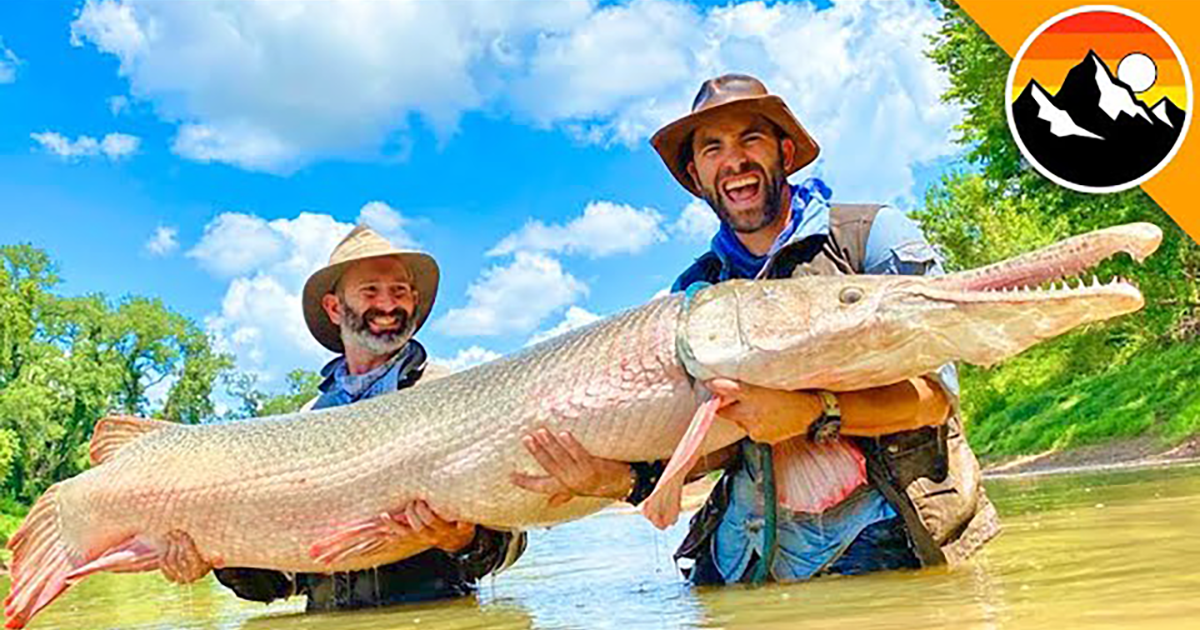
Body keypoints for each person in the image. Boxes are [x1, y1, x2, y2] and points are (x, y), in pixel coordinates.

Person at [517, 74, 998, 584]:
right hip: (741, 555)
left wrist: (816, 413)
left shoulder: (870, 240)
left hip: (881, 536)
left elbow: (934, 398)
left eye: (751, 138)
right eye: (712, 148)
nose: (735, 160)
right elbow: (712, 446)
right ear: (697, 176)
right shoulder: (693, 290)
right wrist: (616, 479)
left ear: (784, 152)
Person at [213, 224, 526, 610]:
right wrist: (221, 555)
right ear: (334, 308)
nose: (388, 304)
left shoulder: (453, 394)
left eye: (399, 291)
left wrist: (461, 540)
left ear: (413, 300)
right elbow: (282, 582)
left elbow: (513, 540)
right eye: (370, 291)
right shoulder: (306, 419)